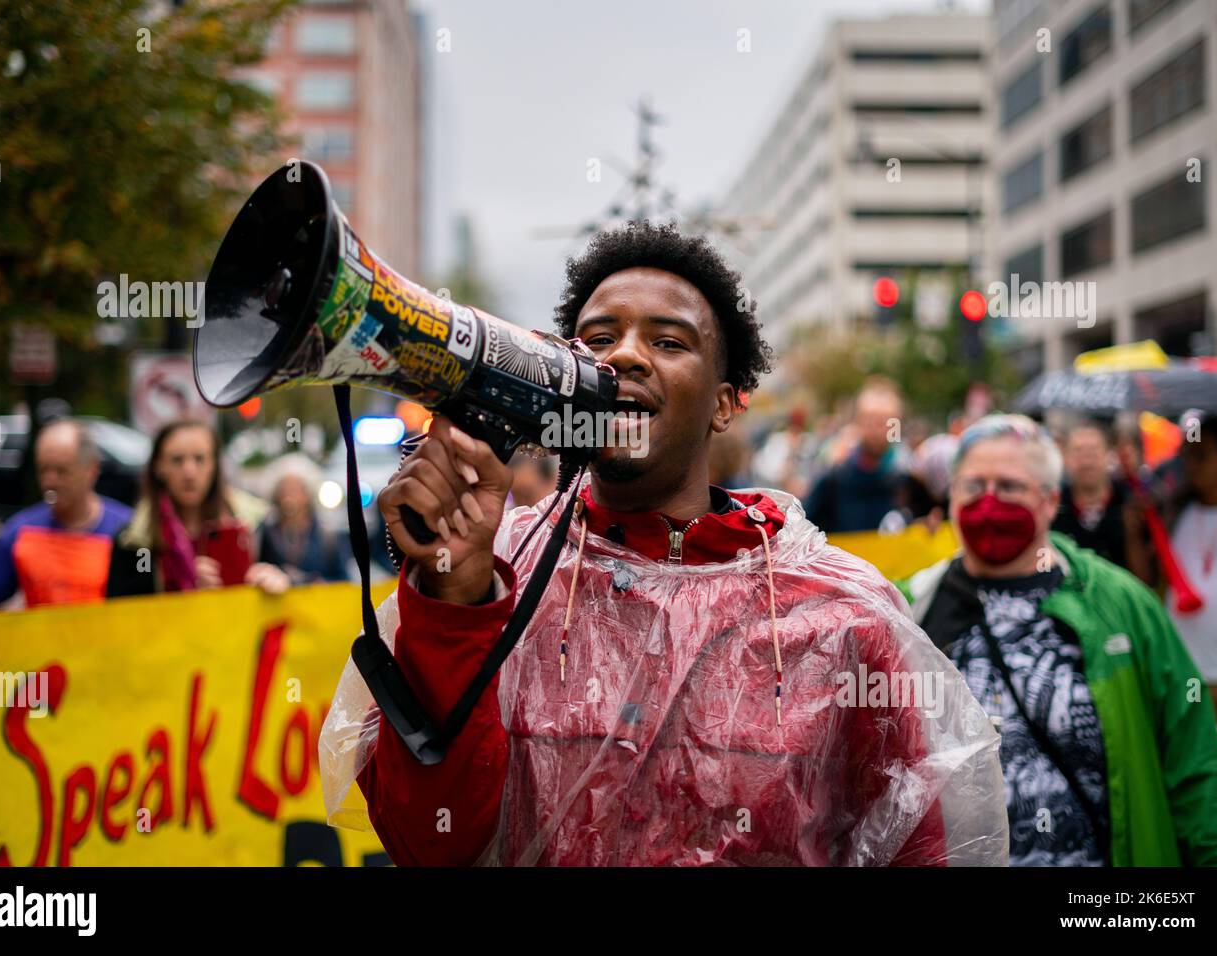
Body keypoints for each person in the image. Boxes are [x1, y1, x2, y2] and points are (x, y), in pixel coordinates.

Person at [320, 221, 1008, 867]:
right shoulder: (501, 570)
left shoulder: (843, 615)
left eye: (670, 342)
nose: (622, 355)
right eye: (596, 341)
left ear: (726, 403)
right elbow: (428, 844)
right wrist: (455, 596)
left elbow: (919, 847)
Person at [897, 414, 1217, 866]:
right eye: (973, 486)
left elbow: (1193, 760)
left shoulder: (1121, 607)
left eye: (1009, 487)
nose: (989, 502)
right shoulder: (907, 610)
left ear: (1050, 500)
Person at [107, 419, 289, 596]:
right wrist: (183, 588)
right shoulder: (135, 541)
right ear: (158, 467)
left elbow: (290, 579)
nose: (189, 472)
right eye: (177, 460)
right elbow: (125, 613)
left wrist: (274, 580)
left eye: (200, 459)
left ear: (214, 465)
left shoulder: (252, 524)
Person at [0, 419, 131, 611]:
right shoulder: (19, 531)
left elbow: (150, 600)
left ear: (92, 470)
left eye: (62, 471)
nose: (50, 481)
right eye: (44, 470)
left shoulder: (128, 531)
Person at [1166, 413, 1217, 781]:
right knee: (1194, 775)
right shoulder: (1178, 512)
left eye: (1201, 456)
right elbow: (1151, 580)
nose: (1190, 465)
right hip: (1188, 675)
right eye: (1186, 456)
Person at [802, 378, 910, 532]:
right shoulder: (833, 482)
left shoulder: (909, 485)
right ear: (857, 422)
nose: (878, 429)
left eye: (888, 421)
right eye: (870, 420)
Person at [1051, 420, 1150, 581]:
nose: (1087, 461)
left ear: (1108, 455)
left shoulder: (1131, 503)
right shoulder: (1052, 508)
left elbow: (1146, 577)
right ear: (1065, 457)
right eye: (1078, 452)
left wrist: (1133, 535)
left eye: (1093, 451)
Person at [257, 454, 348, 585]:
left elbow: (344, 579)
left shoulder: (326, 534)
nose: (289, 496)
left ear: (308, 494)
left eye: (295, 489)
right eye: (284, 489)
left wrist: (322, 583)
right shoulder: (266, 532)